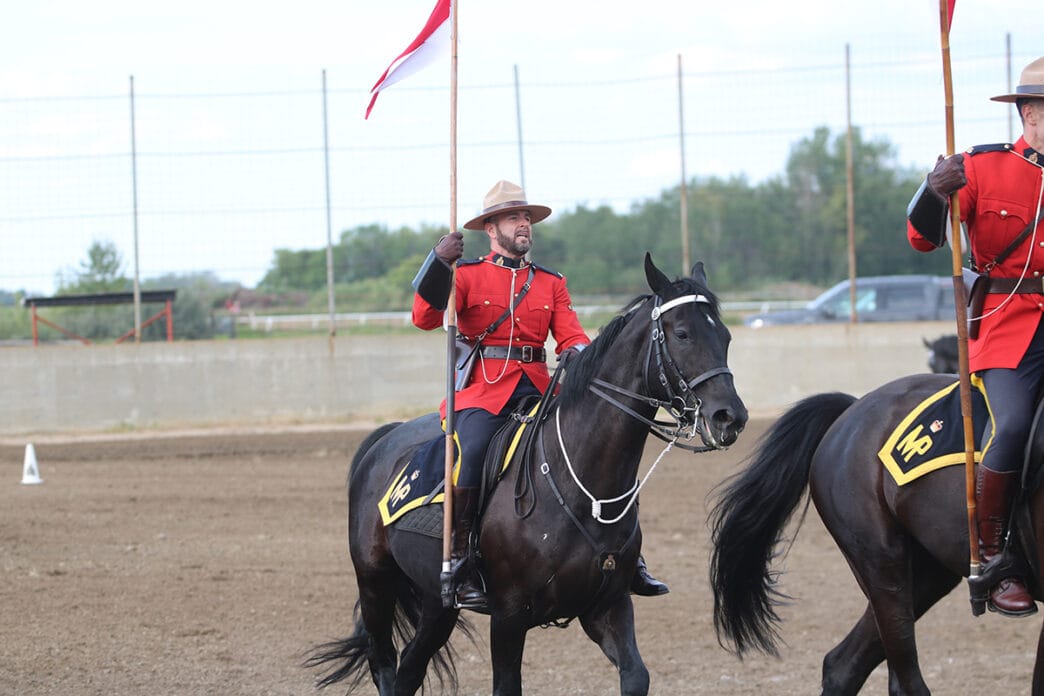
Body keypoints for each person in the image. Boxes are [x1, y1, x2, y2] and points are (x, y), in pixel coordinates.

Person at [411, 179, 669, 610]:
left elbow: (571, 337)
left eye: (526, 217)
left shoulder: (550, 283)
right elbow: (423, 317)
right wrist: (437, 263)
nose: (524, 224)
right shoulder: (467, 275)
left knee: (604, 445)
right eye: (514, 217)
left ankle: (628, 554)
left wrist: (585, 358)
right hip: (485, 393)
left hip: (541, 389)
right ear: (491, 229)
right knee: (472, 449)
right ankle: (460, 559)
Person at [906, 57, 1044, 617]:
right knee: (1011, 426)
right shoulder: (983, 168)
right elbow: (921, 238)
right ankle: (993, 556)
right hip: (1011, 328)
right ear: (1030, 113)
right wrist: (933, 191)